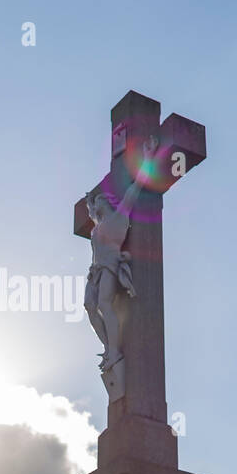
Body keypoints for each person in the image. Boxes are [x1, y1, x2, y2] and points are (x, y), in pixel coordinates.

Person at [84, 137, 158, 375]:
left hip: (109, 267)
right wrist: (88, 205)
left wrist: (147, 159)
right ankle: (108, 347)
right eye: (94, 203)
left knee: (105, 304)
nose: (96, 204)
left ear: (106, 203)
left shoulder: (119, 217)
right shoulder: (97, 226)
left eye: (98, 201)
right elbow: (93, 215)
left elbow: (136, 187)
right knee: (89, 305)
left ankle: (114, 351)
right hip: (94, 272)